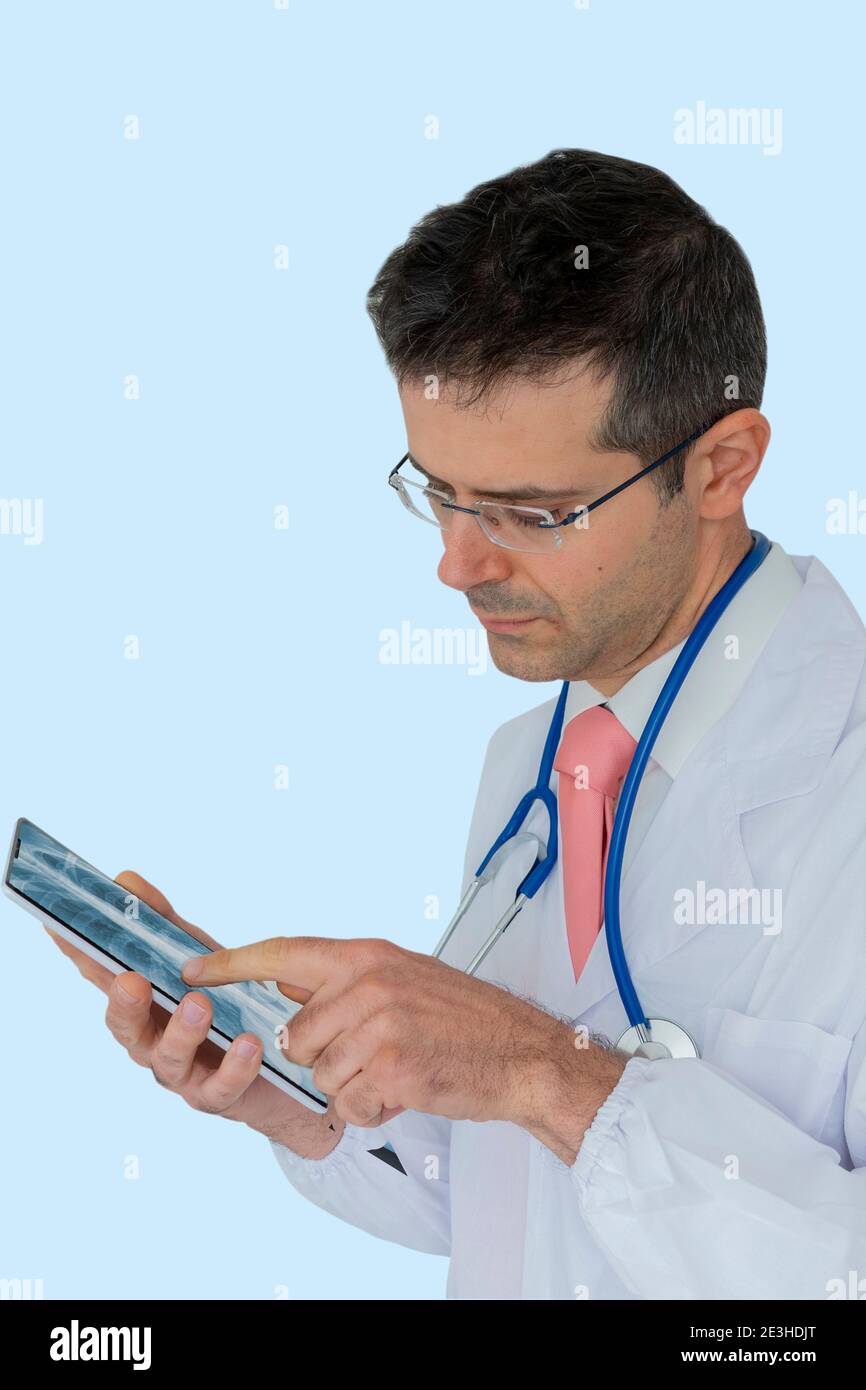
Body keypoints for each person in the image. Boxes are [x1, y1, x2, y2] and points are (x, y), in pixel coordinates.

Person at [49, 149, 866, 1300]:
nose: (454, 564)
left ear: (721, 464)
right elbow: (512, 1197)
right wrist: (284, 1088)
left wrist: (540, 1068)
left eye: (531, 512)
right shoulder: (531, 770)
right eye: (437, 491)